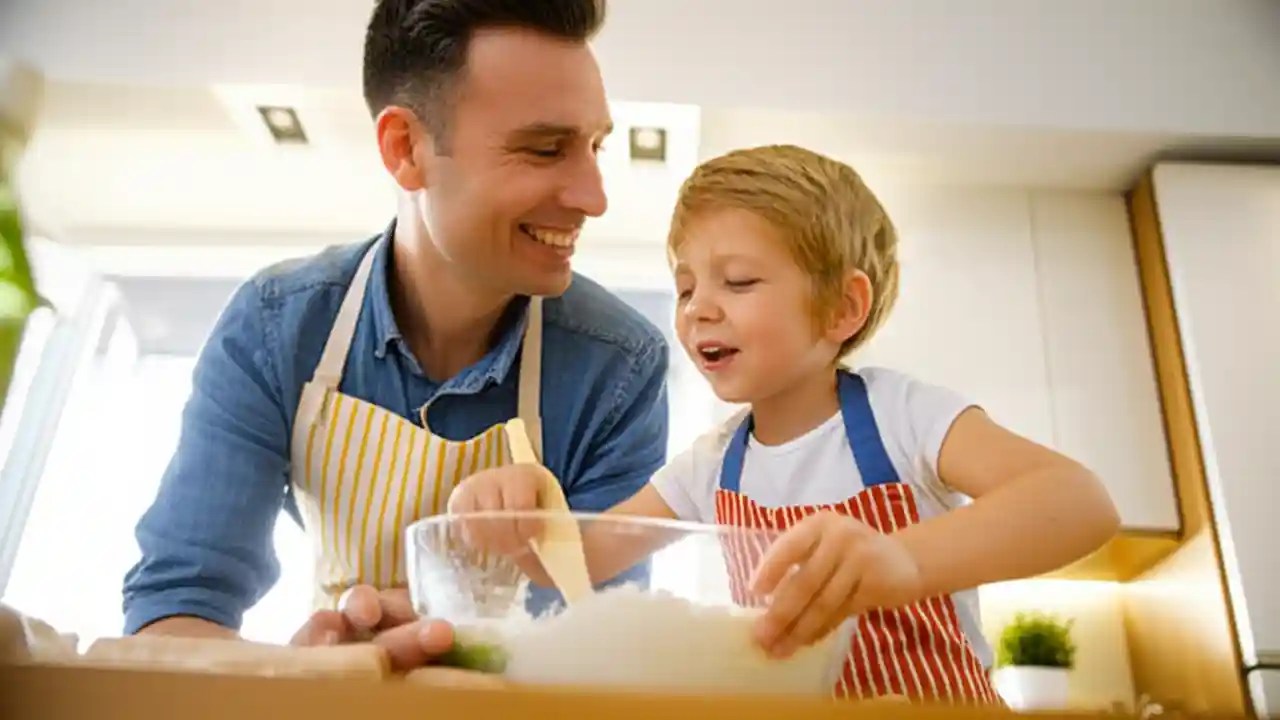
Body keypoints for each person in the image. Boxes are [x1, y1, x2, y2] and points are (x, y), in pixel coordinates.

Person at [450, 144, 1121, 702]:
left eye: (737, 281)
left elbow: (1079, 502)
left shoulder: (901, 416)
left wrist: (902, 560)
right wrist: (518, 507)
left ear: (842, 308)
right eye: (685, 288)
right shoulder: (712, 464)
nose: (698, 310)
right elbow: (579, 557)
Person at [121, 0, 669, 672]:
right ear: (405, 149)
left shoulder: (618, 367)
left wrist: (475, 640)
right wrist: (308, 674)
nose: (593, 195)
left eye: (595, 146)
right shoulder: (276, 329)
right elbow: (170, 618)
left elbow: (612, 655)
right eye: (545, 149)